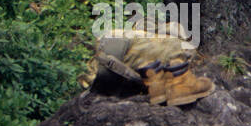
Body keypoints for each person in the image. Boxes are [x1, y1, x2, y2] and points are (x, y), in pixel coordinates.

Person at [81, 26, 214, 106]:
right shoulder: (178, 45)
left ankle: (159, 85)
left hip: (105, 60)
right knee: (178, 49)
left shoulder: (140, 35)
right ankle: (176, 84)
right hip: (114, 56)